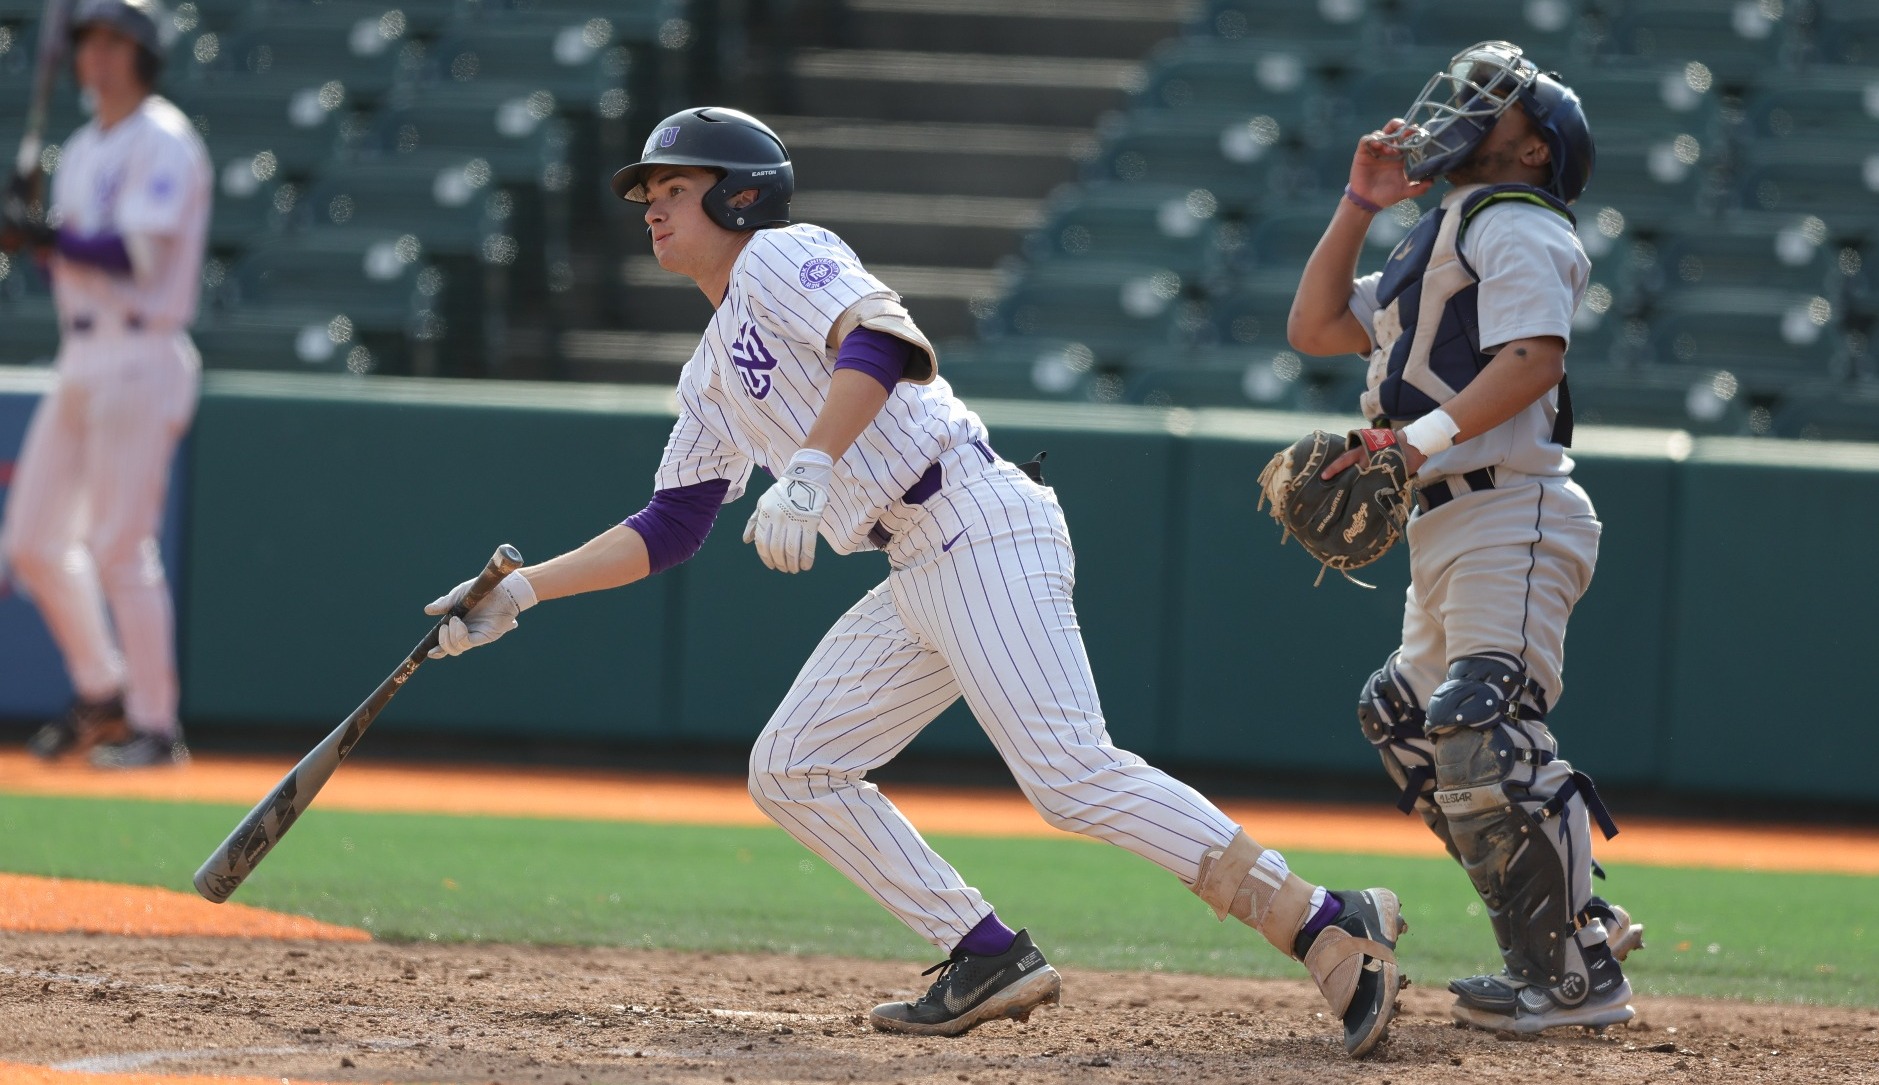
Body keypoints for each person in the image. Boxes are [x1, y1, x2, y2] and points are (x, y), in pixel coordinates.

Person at [423, 106, 1406, 1057]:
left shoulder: (777, 252)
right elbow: (670, 525)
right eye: (647, 190)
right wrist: (524, 591)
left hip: (972, 520)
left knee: (1068, 773)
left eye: (675, 186)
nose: (651, 204)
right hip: (914, 560)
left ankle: (1321, 922)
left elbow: (883, 338)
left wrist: (806, 466)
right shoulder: (710, 367)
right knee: (792, 765)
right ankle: (985, 952)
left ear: (738, 198)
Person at [1285, 41, 1643, 1034]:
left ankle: (1575, 975)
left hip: (1510, 506)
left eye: (1503, 107)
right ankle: (1582, 923)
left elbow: (1531, 358)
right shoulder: (1439, 228)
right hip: (1445, 517)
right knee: (1404, 717)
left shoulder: (1517, 220)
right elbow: (1314, 326)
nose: (1472, 109)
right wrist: (1359, 203)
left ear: (1535, 152)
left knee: (1481, 723)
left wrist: (1409, 445)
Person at [0, 0, 210, 769]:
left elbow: (133, 257)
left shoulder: (165, 139)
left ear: (144, 54)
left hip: (141, 351)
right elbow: (71, 255)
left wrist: (46, 235)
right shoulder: (84, 145)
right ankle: (104, 690)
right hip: (81, 354)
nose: (97, 55)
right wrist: (28, 236)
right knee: (31, 542)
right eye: (90, 41)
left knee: (120, 542)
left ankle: (156, 727)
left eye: (116, 42)